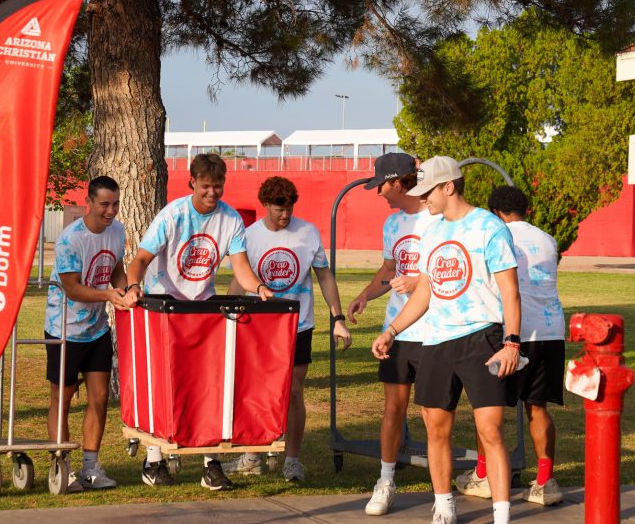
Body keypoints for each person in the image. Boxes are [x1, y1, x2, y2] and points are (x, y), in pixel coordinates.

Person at [371, 156, 523, 524]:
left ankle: (502, 515)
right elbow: (425, 292)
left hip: (481, 338)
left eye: (428, 192)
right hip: (436, 341)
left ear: (449, 187)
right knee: (436, 429)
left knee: (491, 430)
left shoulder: (489, 227)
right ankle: (443, 506)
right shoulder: (432, 231)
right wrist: (392, 331)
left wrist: (511, 343)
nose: (423, 198)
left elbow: (510, 291)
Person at [121, 153, 273, 491]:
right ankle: (154, 462)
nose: (212, 192)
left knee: (211, 385)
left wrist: (259, 287)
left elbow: (241, 268)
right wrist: (133, 287)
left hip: (204, 308)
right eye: (206, 186)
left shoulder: (230, 219)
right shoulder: (172, 215)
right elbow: (140, 259)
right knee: (164, 384)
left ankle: (211, 464)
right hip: (165, 306)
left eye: (218, 186)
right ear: (192, 182)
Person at [222, 176, 352, 482]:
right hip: (257, 326)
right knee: (254, 392)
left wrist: (338, 318)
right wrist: (226, 319)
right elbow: (238, 280)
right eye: (279, 208)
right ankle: (252, 456)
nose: (285, 213)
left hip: (298, 325)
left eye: (289, 207)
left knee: (294, 392)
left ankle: (292, 460)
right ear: (266, 204)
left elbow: (325, 277)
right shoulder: (248, 236)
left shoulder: (307, 232)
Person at [346, 152, 439, 516]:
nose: (378, 192)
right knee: (392, 410)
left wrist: (418, 282)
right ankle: (385, 481)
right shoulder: (392, 223)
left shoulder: (438, 218)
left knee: (433, 414)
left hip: (434, 332)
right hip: (397, 332)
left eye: (381, 186)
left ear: (398, 183)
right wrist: (365, 295)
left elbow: (447, 272)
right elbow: (389, 268)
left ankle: (441, 491)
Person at [477, 185, 565, 506]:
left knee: (489, 407)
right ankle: (545, 481)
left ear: (496, 213)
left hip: (512, 332)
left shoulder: (497, 235)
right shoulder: (547, 239)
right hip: (551, 330)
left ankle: (484, 476)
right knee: (537, 407)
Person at [44, 176, 129, 492]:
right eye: (105, 204)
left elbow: (116, 270)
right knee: (62, 398)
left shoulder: (117, 231)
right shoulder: (70, 239)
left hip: (97, 329)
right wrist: (109, 295)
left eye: (115, 204)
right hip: (64, 330)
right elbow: (73, 288)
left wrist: (127, 290)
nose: (111, 211)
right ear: (89, 202)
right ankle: (61, 467)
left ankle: (91, 468)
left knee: (100, 397)